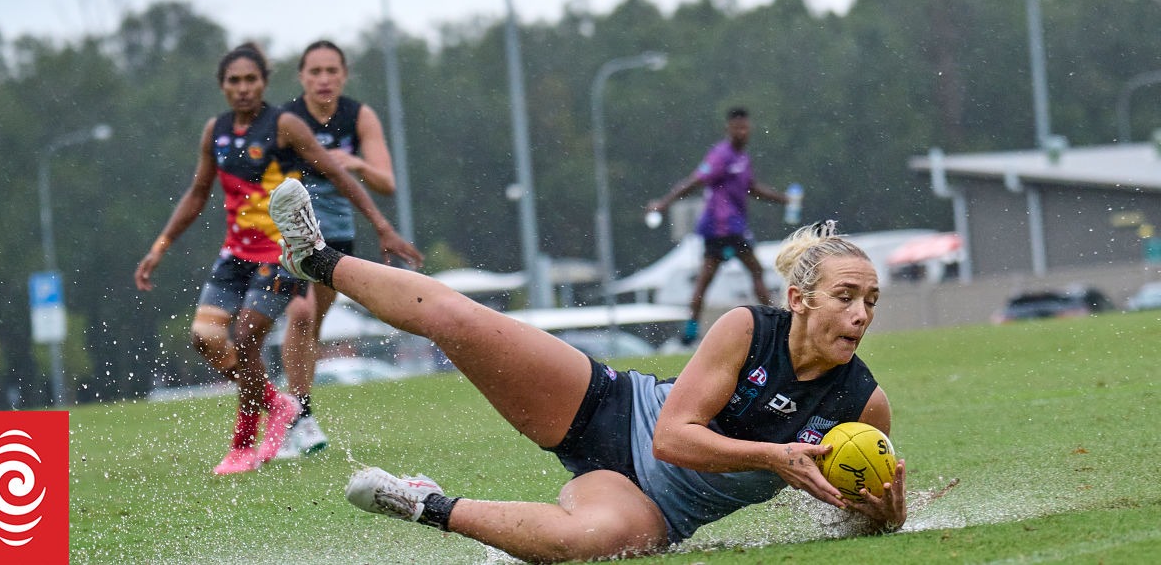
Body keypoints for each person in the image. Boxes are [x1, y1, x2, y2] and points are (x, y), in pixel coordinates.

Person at [267, 178, 906, 562]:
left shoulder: (862, 404)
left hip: (655, 510)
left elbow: (854, 512)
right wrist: (774, 459)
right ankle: (316, 257)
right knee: (461, 322)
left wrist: (886, 513)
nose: (860, 314)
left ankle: (420, 501)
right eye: (845, 296)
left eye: (870, 301)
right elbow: (672, 438)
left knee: (594, 542)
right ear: (799, 299)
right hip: (610, 410)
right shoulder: (747, 328)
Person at [133, 43, 422, 476]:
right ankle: (279, 403)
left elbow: (340, 175)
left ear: (265, 82)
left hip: (280, 253)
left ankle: (244, 442)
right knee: (205, 338)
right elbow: (197, 194)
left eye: (251, 79)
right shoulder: (215, 131)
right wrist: (159, 248)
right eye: (234, 80)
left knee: (252, 335)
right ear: (222, 86)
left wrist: (382, 227)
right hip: (235, 254)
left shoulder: (284, 125)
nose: (243, 88)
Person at [276, 40, 397, 460]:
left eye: (332, 71)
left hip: (338, 233)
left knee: (314, 324)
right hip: (293, 234)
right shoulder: (288, 120)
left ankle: (296, 411)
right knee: (300, 312)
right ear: (301, 77)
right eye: (315, 71)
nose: (324, 79)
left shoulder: (358, 116)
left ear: (344, 75)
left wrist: (355, 163)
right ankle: (298, 417)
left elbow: (387, 182)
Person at [647, 107, 788, 345]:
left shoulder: (744, 158)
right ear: (728, 129)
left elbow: (752, 188)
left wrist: (780, 199)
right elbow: (694, 182)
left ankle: (692, 329)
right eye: (737, 128)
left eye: (745, 127)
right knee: (741, 273)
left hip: (734, 226)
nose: (742, 132)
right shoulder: (720, 156)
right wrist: (664, 203)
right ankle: (775, 324)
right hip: (720, 227)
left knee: (725, 276)